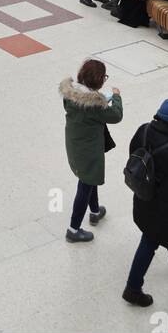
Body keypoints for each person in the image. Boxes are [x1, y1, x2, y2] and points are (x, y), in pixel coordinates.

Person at [122, 99, 168, 306]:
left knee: (163, 235)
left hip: (143, 197)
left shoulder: (143, 130)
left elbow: (134, 154)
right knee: (151, 240)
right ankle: (133, 288)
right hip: (164, 207)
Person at [59, 58, 123, 243]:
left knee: (89, 177)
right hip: (88, 151)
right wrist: (116, 97)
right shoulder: (94, 105)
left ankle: (94, 211)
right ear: (98, 80)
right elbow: (116, 116)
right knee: (85, 184)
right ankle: (73, 229)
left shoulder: (70, 94)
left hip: (75, 145)